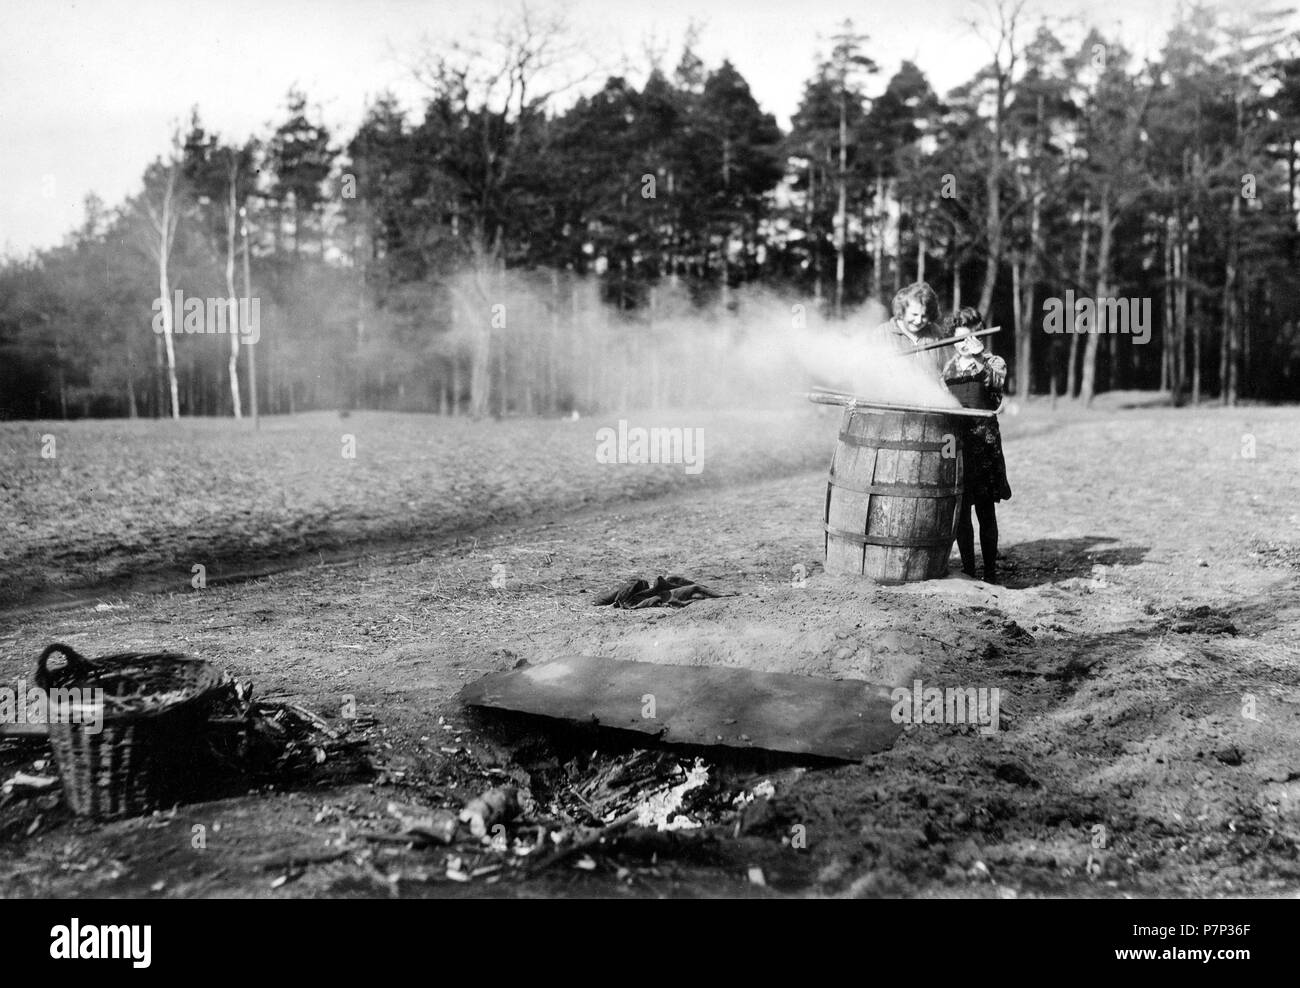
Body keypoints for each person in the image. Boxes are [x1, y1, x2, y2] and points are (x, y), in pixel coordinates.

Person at [942, 307, 1012, 583]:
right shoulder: (948, 367)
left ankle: (991, 572)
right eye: (959, 339)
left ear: (979, 337)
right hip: (957, 442)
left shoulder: (994, 362)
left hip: (984, 442)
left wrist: (978, 359)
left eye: (970, 338)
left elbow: (997, 388)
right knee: (961, 511)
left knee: (985, 509)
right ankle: (970, 570)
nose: (964, 344)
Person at [876, 281, 948, 380]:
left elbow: (946, 370)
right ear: (902, 311)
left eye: (924, 316)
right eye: (914, 314)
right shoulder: (882, 333)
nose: (918, 321)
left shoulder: (935, 332)